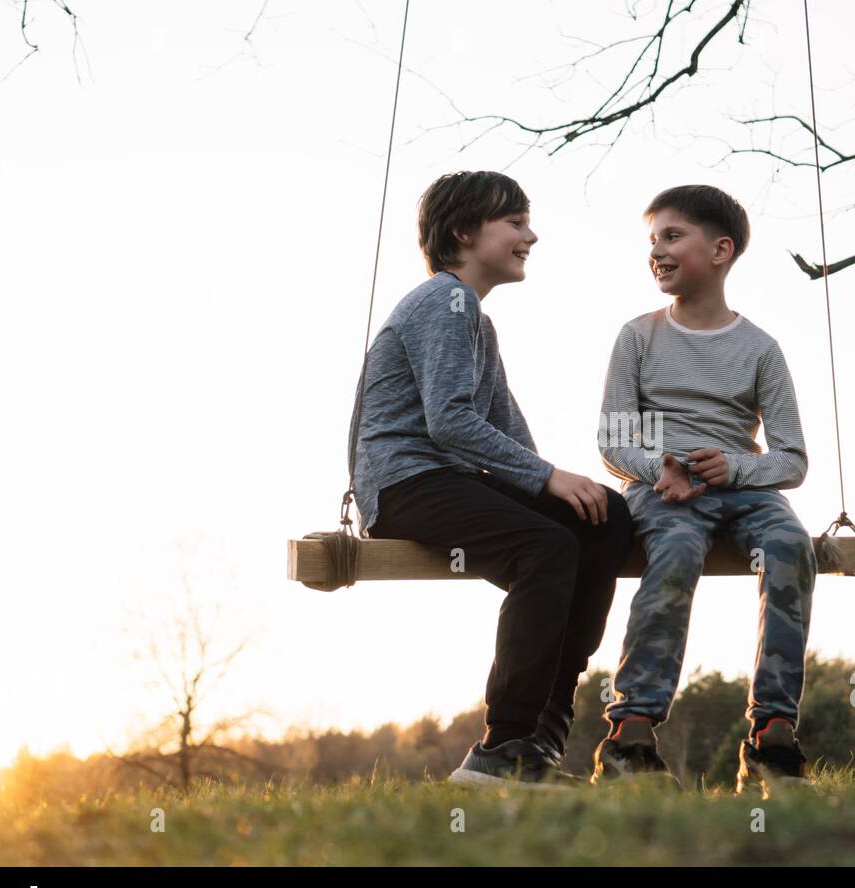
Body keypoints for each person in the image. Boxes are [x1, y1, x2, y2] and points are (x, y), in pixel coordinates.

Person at [348, 170, 635, 789]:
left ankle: (541, 737)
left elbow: (504, 424)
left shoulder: (475, 319)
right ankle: (502, 745)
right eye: (515, 222)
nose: (531, 235)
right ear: (463, 232)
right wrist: (546, 479)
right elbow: (448, 421)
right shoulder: (444, 301)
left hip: (448, 477)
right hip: (406, 483)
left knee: (602, 516)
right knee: (546, 546)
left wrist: (557, 489)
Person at [593, 184, 818, 795]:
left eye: (672, 236)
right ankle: (631, 734)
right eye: (652, 240)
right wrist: (654, 466)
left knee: (792, 547)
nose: (657, 251)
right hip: (663, 489)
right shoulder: (636, 337)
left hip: (743, 488)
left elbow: (792, 459)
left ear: (720, 250)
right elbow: (612, 442)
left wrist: (736, 468)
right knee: (676, 553)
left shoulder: (761, 349)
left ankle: (773, 735)